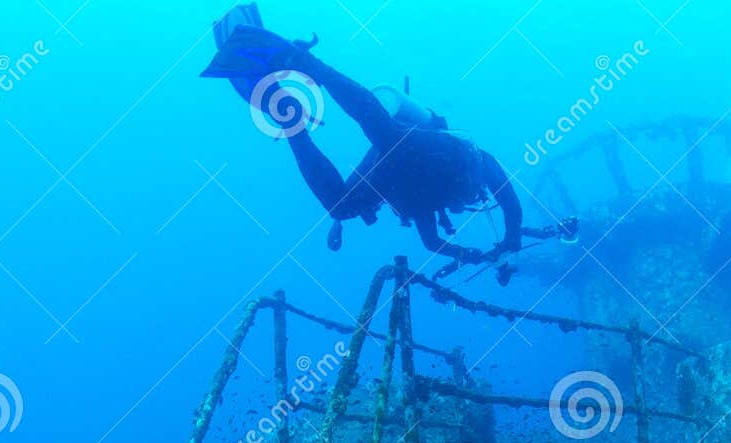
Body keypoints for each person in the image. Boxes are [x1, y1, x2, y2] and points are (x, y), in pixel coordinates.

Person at [205, 15, 536, 277]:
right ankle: (304, 62)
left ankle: (291, 119)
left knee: (341, 207)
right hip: (445, 156)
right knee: (389, 136)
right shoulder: (482, 165)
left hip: (404, 176)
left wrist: (475, 255)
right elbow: (510, 203)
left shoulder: (426, 206)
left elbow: (432, 242)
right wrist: (509, 241)